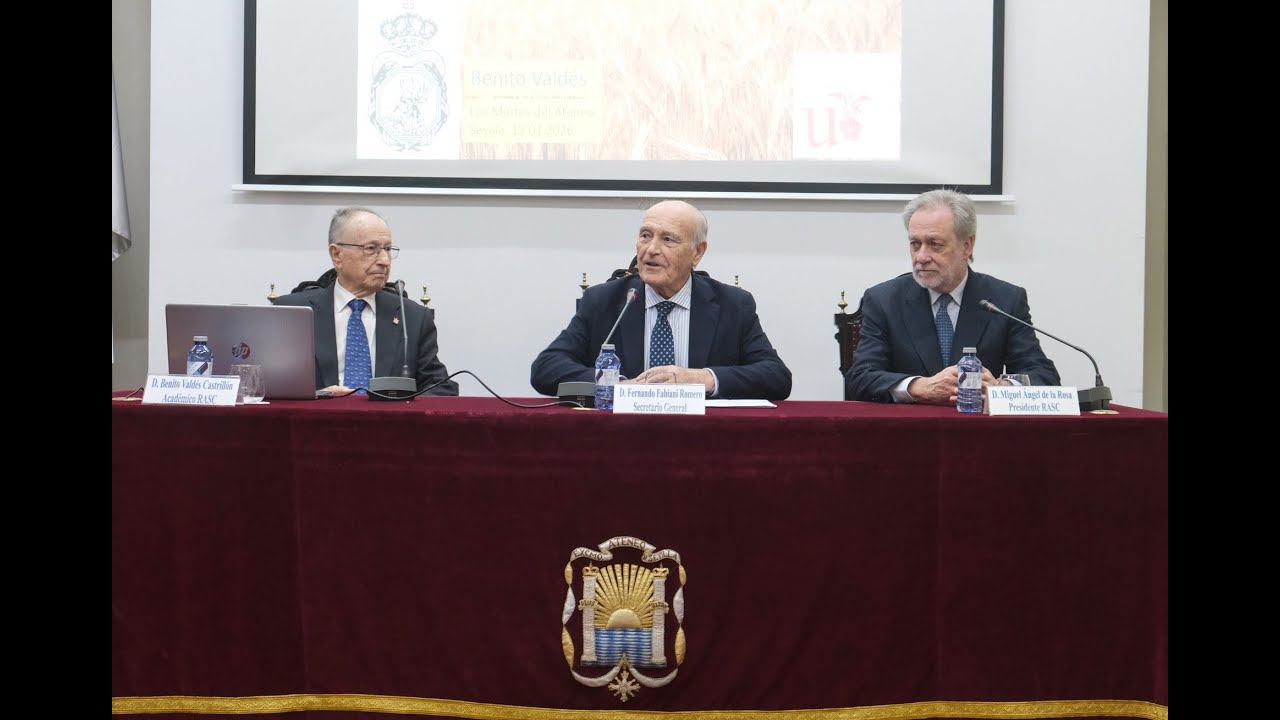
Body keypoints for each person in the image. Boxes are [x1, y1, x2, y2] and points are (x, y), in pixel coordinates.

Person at [531, 200, 792, 400]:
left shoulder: (733, 305)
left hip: (705, 441)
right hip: (620, 439)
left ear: (697, 252)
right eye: (645, 235)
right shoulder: (604, 301)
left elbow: (776, 377)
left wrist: (703, 378)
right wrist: (617, 385)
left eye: (667, 239)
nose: (651, 249)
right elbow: (545, 369)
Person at [844, 189, 1059, 404]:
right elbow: (859, 378)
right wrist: (919, 387)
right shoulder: (884, 300)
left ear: (967, 245)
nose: (921, 257)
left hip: (980, 432)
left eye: (935, 244)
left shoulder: (1004, 300)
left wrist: (1000, 389)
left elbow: (1044, 376)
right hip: (908, 430)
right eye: (915, 244)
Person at [274, 207, 458, 396]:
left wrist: (400, 406)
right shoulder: (292, 313)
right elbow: (265, 383)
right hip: (312, 422)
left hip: (388, 423)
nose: (385, 261)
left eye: (387, 249)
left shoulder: (412, 317)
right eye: (371, 249)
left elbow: (440, 387)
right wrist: (318, 396)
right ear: (337, 255)